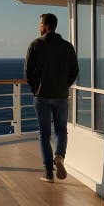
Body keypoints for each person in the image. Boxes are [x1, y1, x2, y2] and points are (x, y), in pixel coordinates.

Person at [25, 13, 79, 183]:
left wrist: (36, 89)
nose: (39, 27)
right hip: (61, 96)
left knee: (44, 134)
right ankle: (60, 157)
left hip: (42, 96)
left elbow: (28, 72)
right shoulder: (67, 46)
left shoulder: (35, 45)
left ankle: (49, 173)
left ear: (47, 26)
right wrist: (64, 86)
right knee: (62, 130)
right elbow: (74, 71)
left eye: (40, 24)